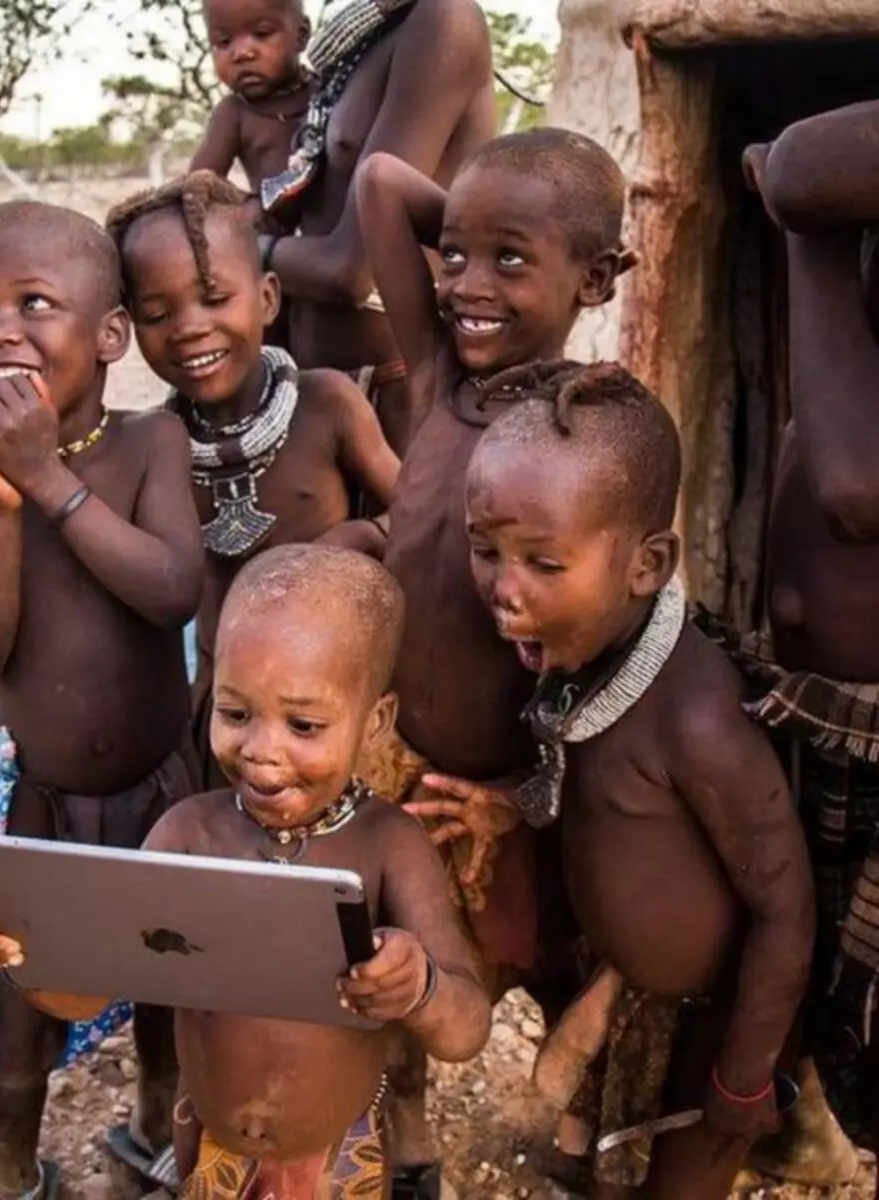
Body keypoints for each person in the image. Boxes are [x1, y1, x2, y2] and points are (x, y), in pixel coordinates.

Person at [0, 543, 493, 1198]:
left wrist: (421, 987)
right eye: (236, 714)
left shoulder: (388, 847)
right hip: (211, 1151)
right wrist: (18, 946)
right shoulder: (188, 834)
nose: (263, 752)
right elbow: (90, 991)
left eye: (304, 723)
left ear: (375, 722)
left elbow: (465, 1030)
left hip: (337, 1163)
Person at [331, 127, 633, 1190]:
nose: (465, 285)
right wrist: (484, 227)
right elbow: (377, 182)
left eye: (512, 259)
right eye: (452, 254)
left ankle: (578, 1144)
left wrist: (524, 791)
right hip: (409, 775)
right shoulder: (437, 383)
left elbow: (609, 654)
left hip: (525, 791)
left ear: (595, 278)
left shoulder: (589, 431)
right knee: (405, 971)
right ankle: (408, 1142)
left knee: (555, 955)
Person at [465, 359, 814, 1198]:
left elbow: (785, 906)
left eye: (542, 565)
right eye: (485, 551)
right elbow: (588, 788)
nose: (503, 592)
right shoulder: (582, 660)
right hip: (634, 998)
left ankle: (798, 1134)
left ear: (648, 564)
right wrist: (510, 805)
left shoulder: (695, 719)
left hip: (718, 1024)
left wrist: (742, 1079)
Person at [0, 200, 204, 1200]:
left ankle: (154, 1133)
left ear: (111, 336)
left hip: (165, 796)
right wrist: (3, 505)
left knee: (174, 995)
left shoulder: (151, 447)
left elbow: (172, 587)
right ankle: (15, 1174)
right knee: (15, 1033)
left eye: (33, 302)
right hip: (39, 810)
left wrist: (47, 479)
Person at [106, 171, 399, 787]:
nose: (189, 327)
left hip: (331, 697)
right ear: (129, 327)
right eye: (158, 313)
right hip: (225, 706)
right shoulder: (157, 442)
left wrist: (366, 536)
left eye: (215, 300)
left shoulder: (326, 405)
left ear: (268, 298)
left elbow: (420, 522)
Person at [732, 105, 879, 1191]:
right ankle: (808, 1129)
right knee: (816, 965)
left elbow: (854, 489)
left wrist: (799, 215)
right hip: (830, 720)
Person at [255, 0, 496, 454]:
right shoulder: (359, 34)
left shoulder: (443, 21)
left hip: (393, 398)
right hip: (315, 389)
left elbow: (351, 271)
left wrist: (240, 249)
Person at [189, 0, 312, 203]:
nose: (241, 53)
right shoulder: (234, 113)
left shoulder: (330, 92)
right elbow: (196, 188)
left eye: (262, 34)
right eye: (224, 41)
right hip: (272, 231)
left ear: (301, 35)